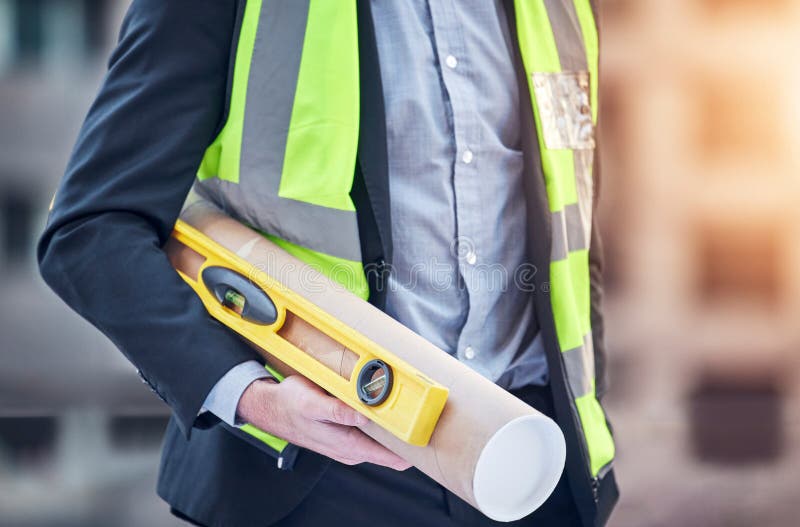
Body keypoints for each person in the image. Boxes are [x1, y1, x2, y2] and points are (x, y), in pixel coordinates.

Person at [38, 1, 618, 526]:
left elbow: (574, 222)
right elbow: (92, 229)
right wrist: (255, 400)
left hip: (534, 469)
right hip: (318, 471)